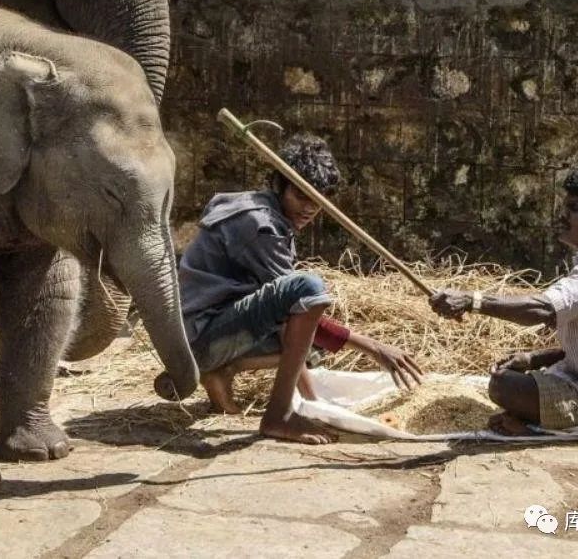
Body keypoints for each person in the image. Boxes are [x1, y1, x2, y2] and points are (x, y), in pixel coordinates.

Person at [178, 133, 422, 445]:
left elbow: (293, 321)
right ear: (279, 185)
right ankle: (278, 416)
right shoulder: (258, 225)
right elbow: (300, 301)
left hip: (215, 331)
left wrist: (314, 403)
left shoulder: (273, 215)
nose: (309, 209)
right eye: (301, 197)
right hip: (197, 341)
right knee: (308, 287)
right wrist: (374, 347)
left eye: (318, 201)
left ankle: (224, 371)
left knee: (311, 338)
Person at [429, 169, 578, 435]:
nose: (562, 216)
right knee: (512, 380)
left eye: (573, 209)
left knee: (502, 386)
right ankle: (534, 419)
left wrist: (472, 300)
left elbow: (543, 308)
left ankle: (537, 427)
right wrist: (533, 358)